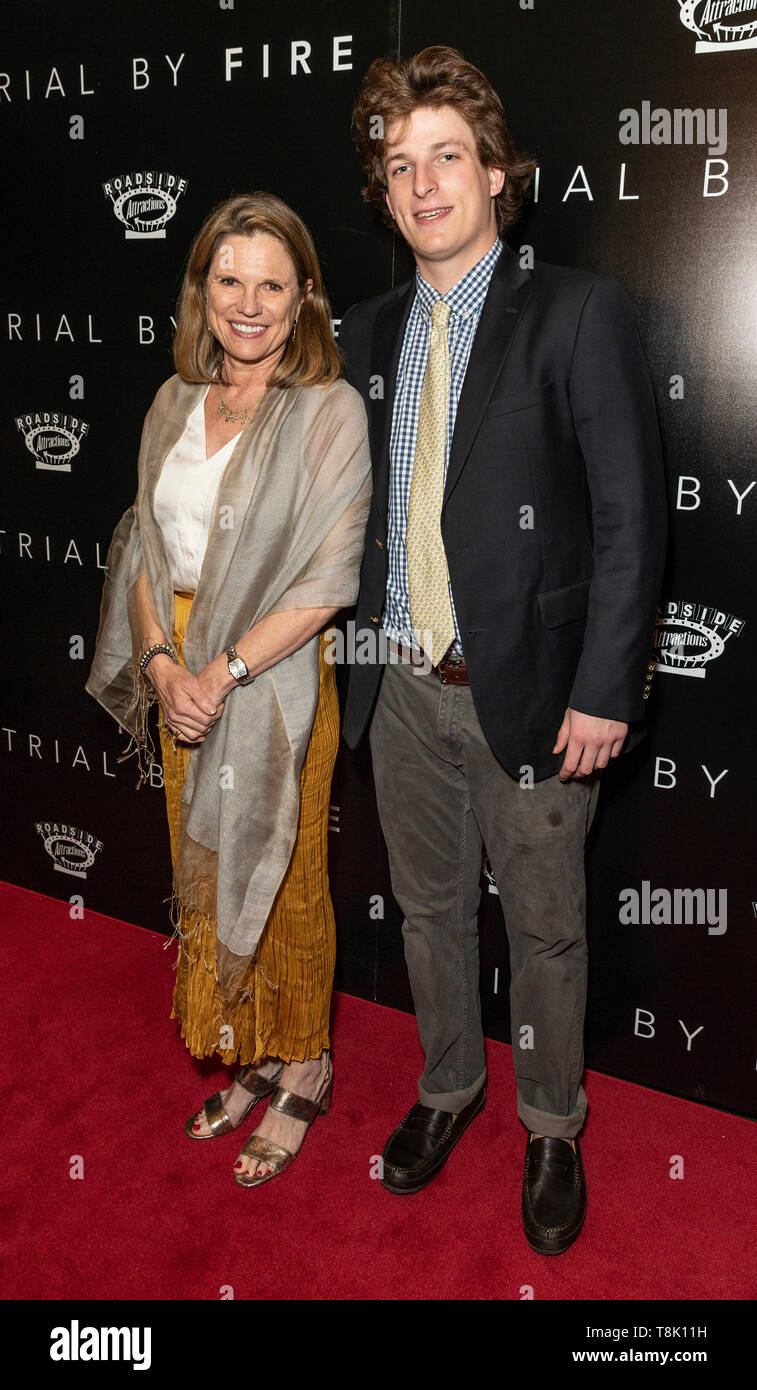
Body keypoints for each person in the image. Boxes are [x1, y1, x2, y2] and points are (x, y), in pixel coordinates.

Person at [339, 46, 667, 1253]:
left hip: (530, 694)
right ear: (382, 192)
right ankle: (444, 1088)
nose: (422, 185)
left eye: (445, 158)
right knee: (427, 914)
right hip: (404, 690)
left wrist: (603, 687)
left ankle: (547, 1121)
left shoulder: (573, 313)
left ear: (494, 172)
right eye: (397, 166)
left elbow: (633, 516)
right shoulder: (367, 334)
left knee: (543, 927)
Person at [87, 192, 371, 1187]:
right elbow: (141, 545)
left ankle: (306, 1063)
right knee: (204, 865)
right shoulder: (173, 399)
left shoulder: (327, 409)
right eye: (228, 280)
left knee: (286, 879)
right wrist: (163, 666)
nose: (247, 303)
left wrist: (219, 668)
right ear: (200, 292)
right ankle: (247, 1051)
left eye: (270, 283)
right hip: (183, 679)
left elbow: (330, 579)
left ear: (303, 300)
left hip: (272, 683)